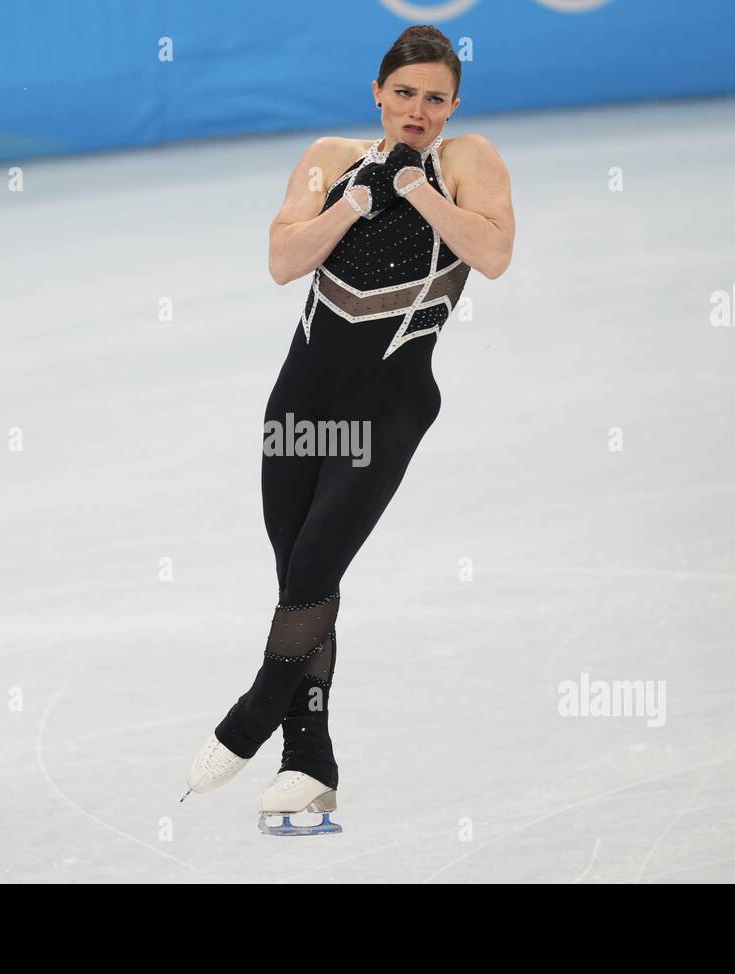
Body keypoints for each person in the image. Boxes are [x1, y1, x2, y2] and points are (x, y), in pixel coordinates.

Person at [183, 24, 514, 835]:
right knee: (300, 578)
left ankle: (251, 717)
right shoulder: (330, 156)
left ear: (454, 105)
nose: (419, 109)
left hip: (391, 401)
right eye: (404, 92)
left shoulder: (468, 159)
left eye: (436, 97)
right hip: (299, 402)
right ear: (377, 91)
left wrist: (419, 192)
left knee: (318, 562)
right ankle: (310, 762)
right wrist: (359, 198)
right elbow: (283, 261)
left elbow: (495, 254)